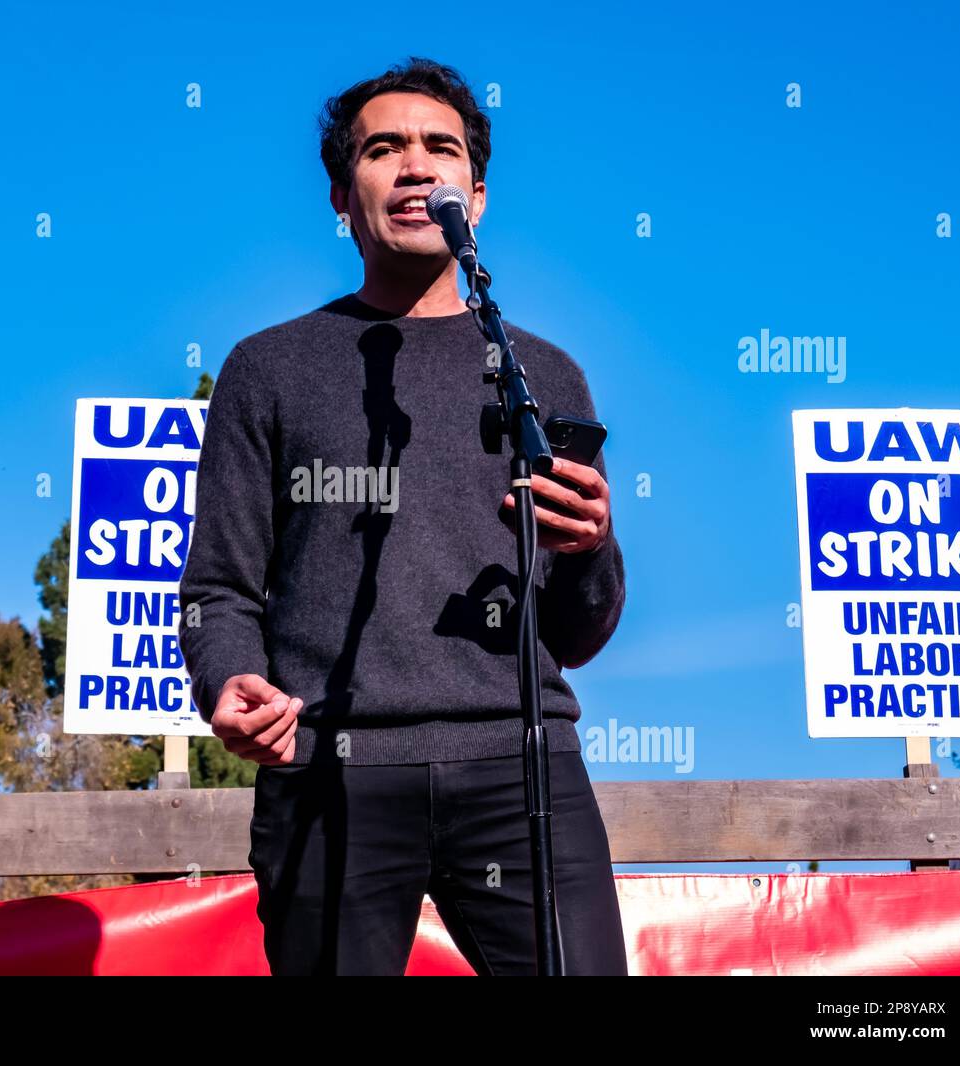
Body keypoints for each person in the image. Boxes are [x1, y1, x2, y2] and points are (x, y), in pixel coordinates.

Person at [178, 57, 627, 976]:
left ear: (479, 194)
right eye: (384, 149)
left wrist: (590, 546)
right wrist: (228, 680)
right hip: (328, 772)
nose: (416, 167)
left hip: (520, 764)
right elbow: (220, 586)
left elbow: (579, 633)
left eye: (441, 148)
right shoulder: (268, 368)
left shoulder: (545, 374)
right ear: (344, 196)